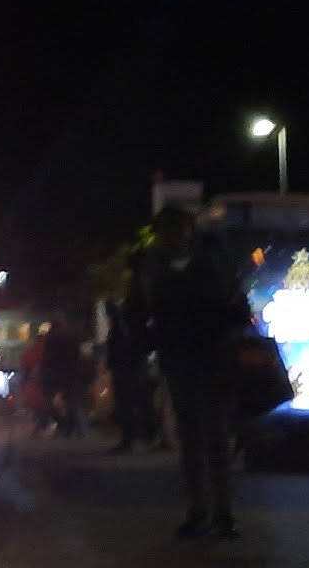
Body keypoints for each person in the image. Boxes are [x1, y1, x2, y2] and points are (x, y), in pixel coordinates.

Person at [125, 205, 250, 540]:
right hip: (180, 361)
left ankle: (220, 512)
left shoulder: (209, 263)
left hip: (210, 360)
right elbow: (134, 312)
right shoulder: (152, 269)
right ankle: (201, 511)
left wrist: (224, 321)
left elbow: (237, 306)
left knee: (214, 441)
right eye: (170, 231)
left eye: (180, 230)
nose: (176, 237)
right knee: (193, 441)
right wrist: (148, 340)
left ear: (189, 232)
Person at [105, 296, 156, 453]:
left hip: (127, 368)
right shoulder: (137, 326)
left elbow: (116, 348)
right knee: (141, 403)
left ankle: (132, 438)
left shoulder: (122, 326)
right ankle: (147, 435)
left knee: (128, 404)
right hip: (136, 367)